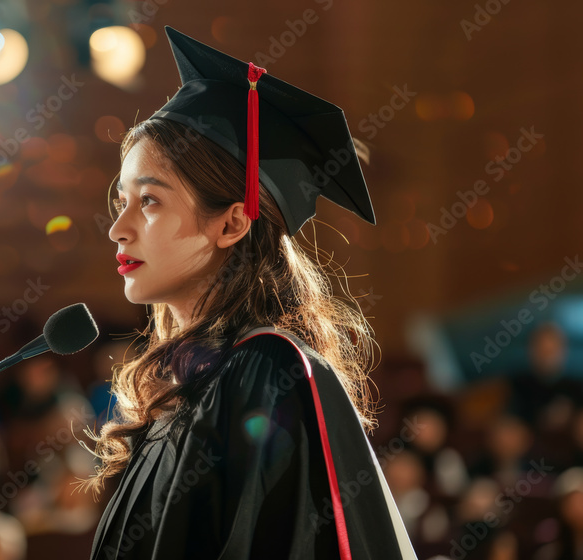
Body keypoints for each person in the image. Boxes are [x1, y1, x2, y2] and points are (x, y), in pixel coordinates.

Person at [81, 26, 418, 559]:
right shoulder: (186, 383)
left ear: (233, 222)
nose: (117, 228)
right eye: (120, 200)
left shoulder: (266, 372)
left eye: (148, 201)